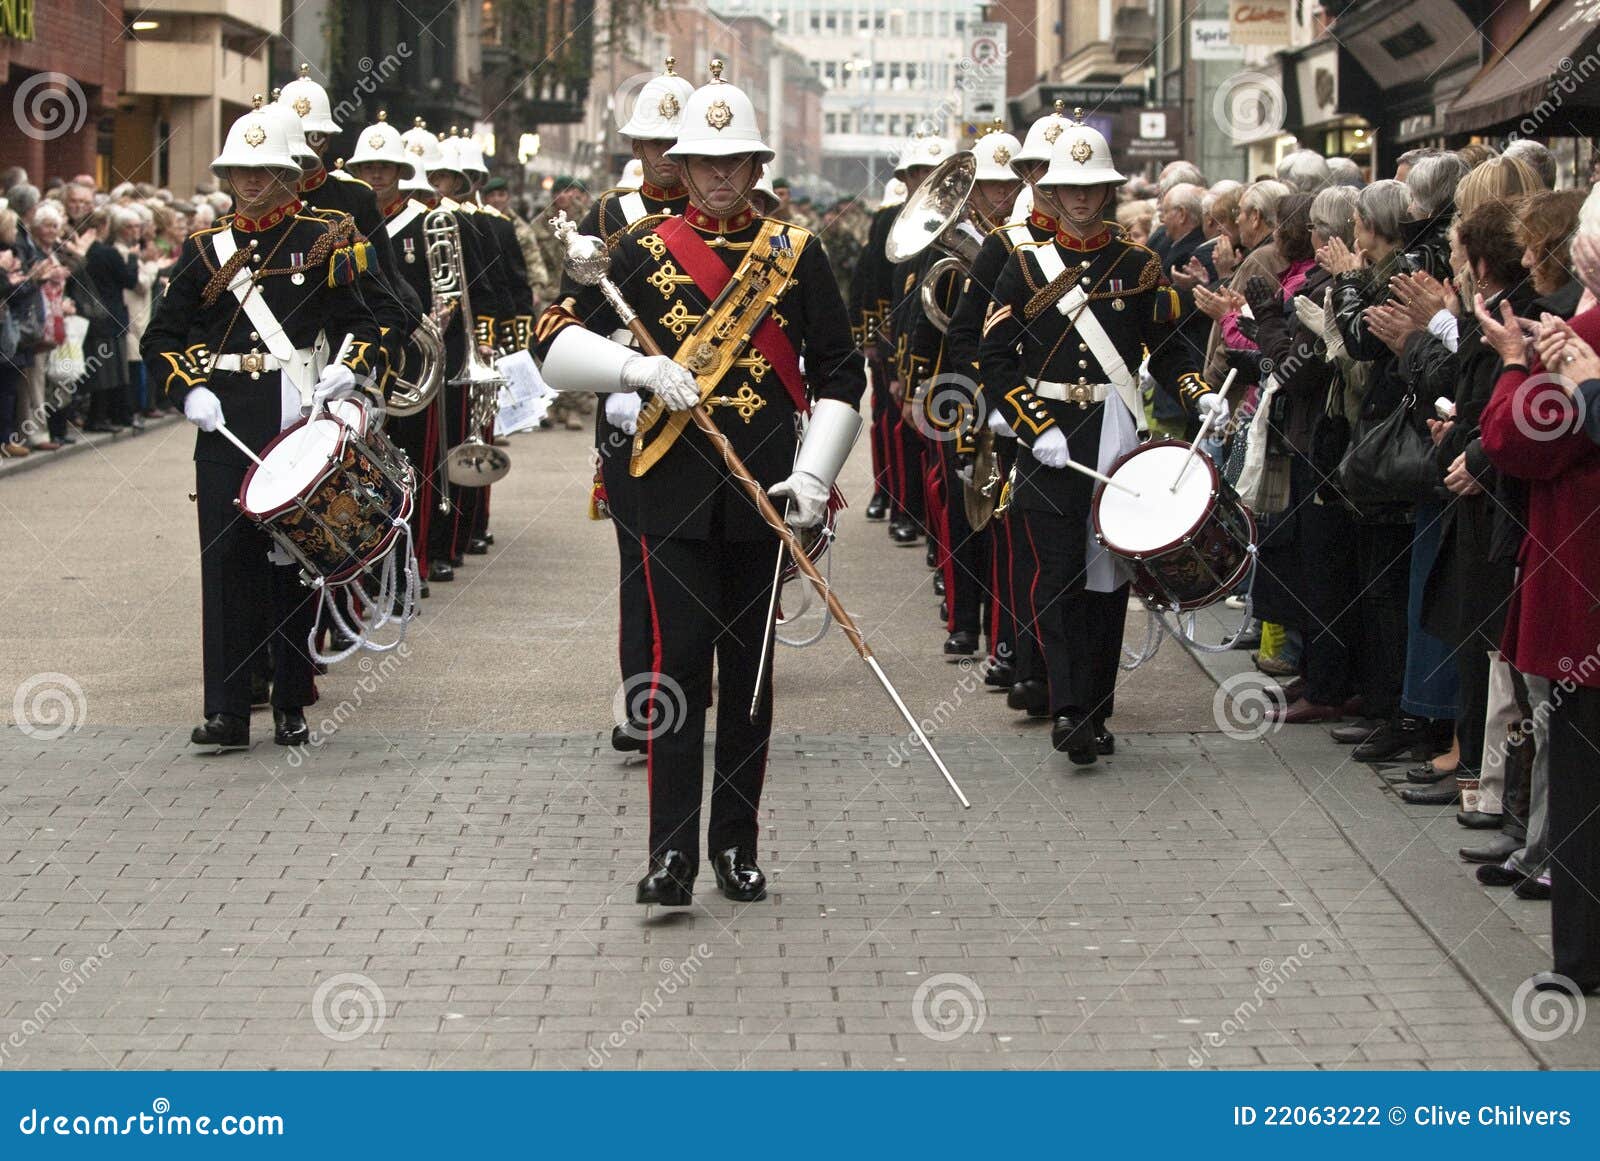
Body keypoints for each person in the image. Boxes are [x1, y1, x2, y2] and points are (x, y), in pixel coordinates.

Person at [532, 61, 865, 905]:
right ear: (682, 165)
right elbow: (553, 342)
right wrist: (637, 367)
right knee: (675, 675)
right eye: (704, 162)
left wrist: (816, 477)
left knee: (749, 686)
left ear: (757, 168)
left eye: (735, 162)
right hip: (669, 496)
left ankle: (735, 846)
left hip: (764, 496)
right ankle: (672, 854)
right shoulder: (638, 251)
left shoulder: (798, 255)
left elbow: (841, 374)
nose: (719, 177)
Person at [978, 121, 1226, 763]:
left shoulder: (1139, 265)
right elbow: (995, 358)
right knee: (1056, 578)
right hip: (1049, 442)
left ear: (1107, 191)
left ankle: (1096, 707)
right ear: (1053, 192)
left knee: (1107, 580)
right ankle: (1065, 709)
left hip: (1113, 433)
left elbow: (1168, 349)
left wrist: (1197, 389)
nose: (1082, 200)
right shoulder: (1024, 265)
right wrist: (1035, 426)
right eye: (1070, 189)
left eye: (1092, 188)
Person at [558, 59, 694, 751]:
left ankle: (693, 696)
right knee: (640, 565)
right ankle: (643, 705)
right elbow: (570, 317)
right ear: (636, 148)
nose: (665, 158)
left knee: (703, 567)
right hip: (630, 413)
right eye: (653, 145)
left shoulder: (740, 219)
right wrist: (616, 377)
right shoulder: (608, 216)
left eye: (677, 144)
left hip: (708, 412)